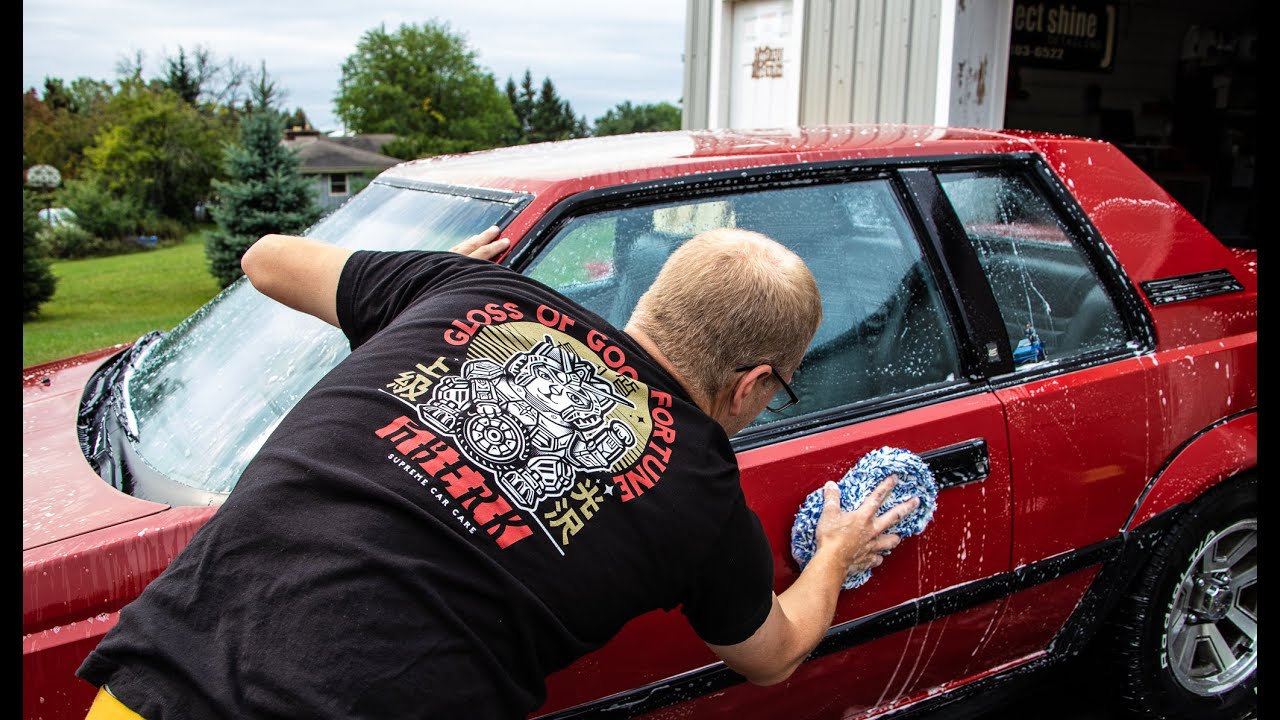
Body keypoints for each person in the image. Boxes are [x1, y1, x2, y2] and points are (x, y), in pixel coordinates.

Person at [76, 225, 918, 719]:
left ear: (654, 294)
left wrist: (425, 278)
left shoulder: (472, 294)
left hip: (149, 689)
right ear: (753, 384)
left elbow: (264, 259)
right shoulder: (700, 493)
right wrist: (837, 551)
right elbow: (769, 657)